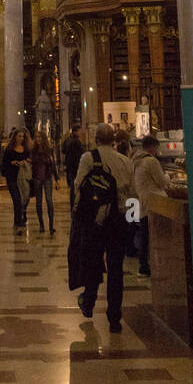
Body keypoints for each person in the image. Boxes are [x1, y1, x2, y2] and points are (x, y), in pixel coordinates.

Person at [73, 123, 136, 332]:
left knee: (93, 261)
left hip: (96, 220)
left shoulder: (88, 158)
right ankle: (114, 318)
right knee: (116, 268)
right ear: (114, 141)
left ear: (96, 139)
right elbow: (133, 193)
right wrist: (131, 218)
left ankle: (89, 302)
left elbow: (78, 185)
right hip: (119, 219)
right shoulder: (126, 161)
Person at [133, 135, 169, 277]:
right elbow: (162, 182)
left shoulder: (136, 160)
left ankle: (144, 264)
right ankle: (153, 263)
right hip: (154, 202)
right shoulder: (151, 161)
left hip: (143, 200)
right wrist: (168, 177)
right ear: (152, 147)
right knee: (151, 235)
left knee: (145, 234)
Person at [2, 128, 32, 230]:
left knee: (25, 198)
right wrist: (12, 163)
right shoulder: (9, 149)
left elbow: (30, 160)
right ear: (14, 137)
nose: (21, 138)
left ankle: (22, 215)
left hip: (23, 177)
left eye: (23, 136)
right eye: (19, 136)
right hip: (12, 177)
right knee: (17, 199)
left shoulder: (26, 149)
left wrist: (25, 162)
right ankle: (18, 222)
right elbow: (4, 164)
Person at [30, 132, 58, 234]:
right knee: (38, 201)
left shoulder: (49, 149)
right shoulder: (33, 150)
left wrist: (57, 179)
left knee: (49, 200)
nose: (38, 139)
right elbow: (32, 162)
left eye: (40, 137)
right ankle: (41, 224)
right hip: (37, 177)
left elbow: (53, 163)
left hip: (47, 176)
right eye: (36, 137)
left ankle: (51, 226)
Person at [62, 124, 84, 206]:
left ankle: (73, 203)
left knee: (72, 185)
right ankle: (75, 203)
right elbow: (79, 155)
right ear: (75, 132)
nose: (81, 133)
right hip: (75, 166)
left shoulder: (67, 140)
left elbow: (63, 150)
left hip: (69, 165)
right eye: (79, 131)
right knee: (75, 186)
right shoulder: (77, 142)